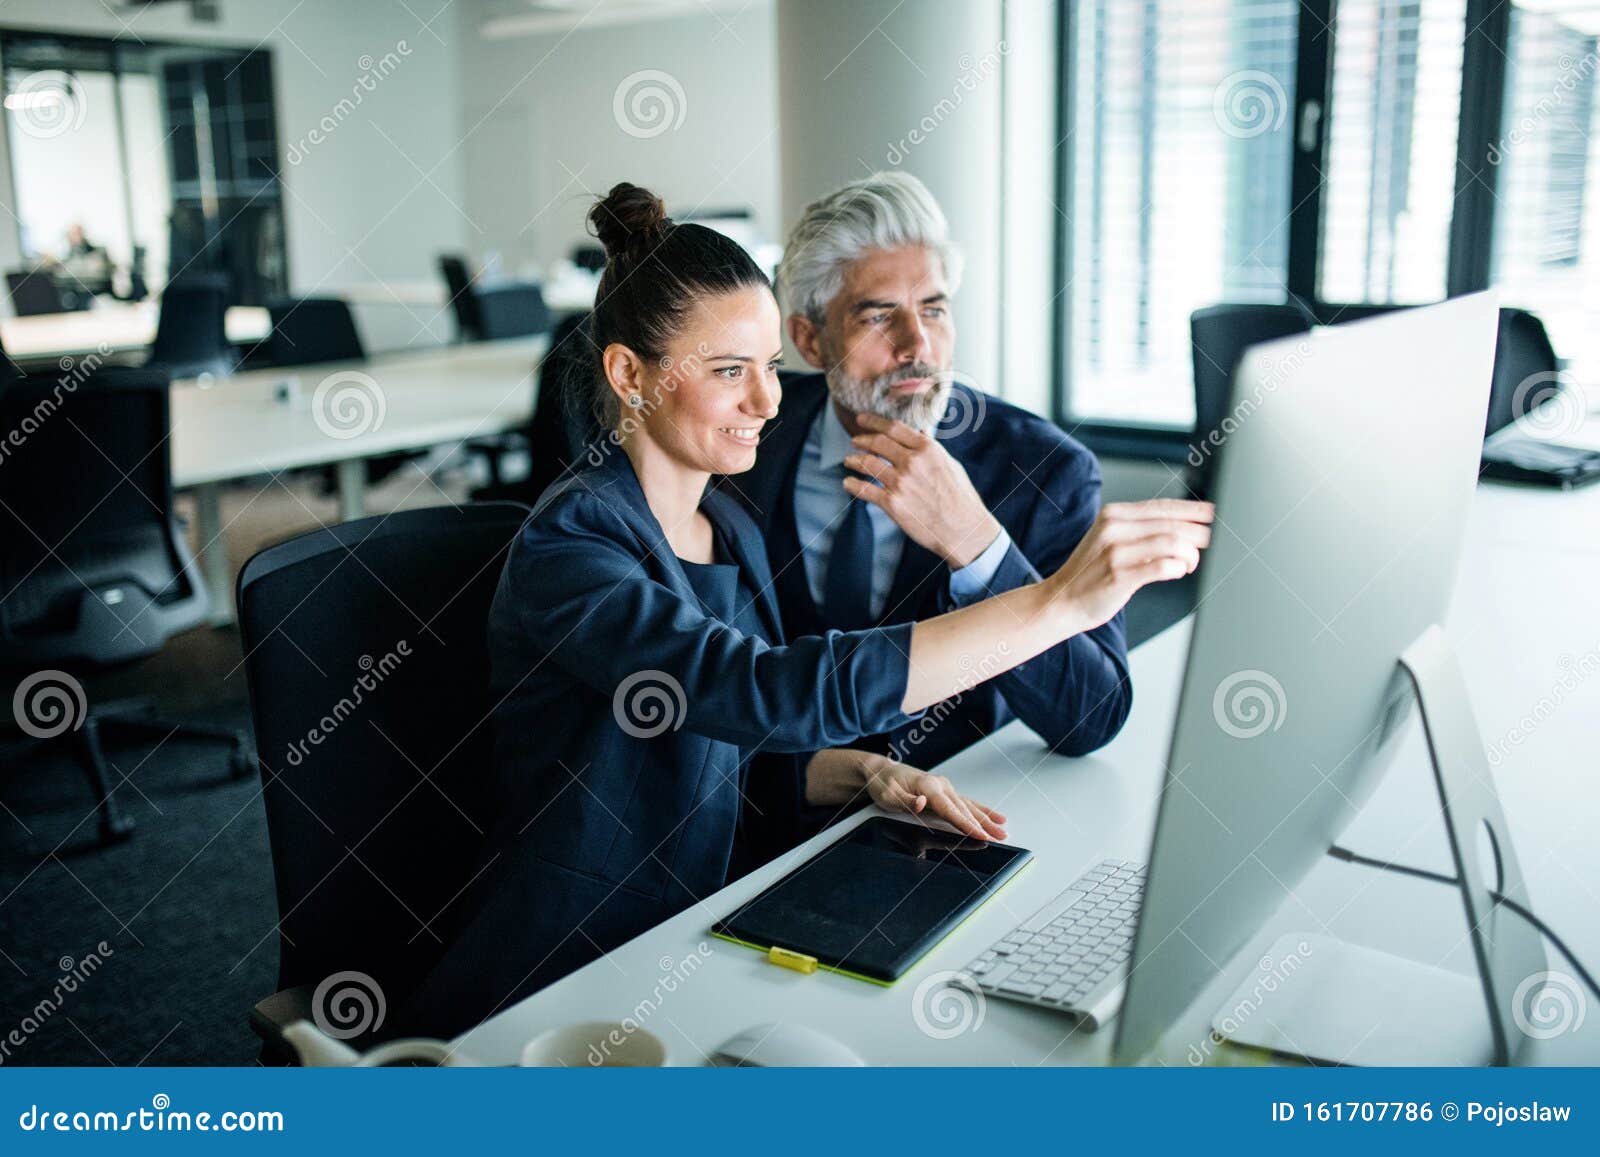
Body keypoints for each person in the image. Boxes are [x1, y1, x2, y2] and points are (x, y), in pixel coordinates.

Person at [399, 183, 1212, 1037]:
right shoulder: (571, 549)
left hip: (704, 920)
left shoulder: (725, 521)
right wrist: (1050, 604)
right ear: (630, 375)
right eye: (728, 372)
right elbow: (763, 691)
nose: (769, 401)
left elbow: (732, 754)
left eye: (765, 370)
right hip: (572, 962)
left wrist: (859, 772)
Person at [732, 172, 1132, 851]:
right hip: (757, 825)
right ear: (809, 338)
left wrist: (978, 544)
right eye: (879, 315)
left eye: (936, 309)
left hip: (953, 829)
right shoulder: (747, 446)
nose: (917, 343)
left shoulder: (1044, 470)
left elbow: (1092, 715)